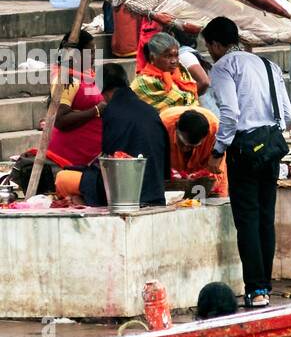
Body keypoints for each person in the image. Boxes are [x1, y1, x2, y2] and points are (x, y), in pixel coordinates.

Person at [202, 16, 291, 309]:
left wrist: (218, 151)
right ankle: (264, 285)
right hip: (272, 145)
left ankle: (255, 289)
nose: (210, 52)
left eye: (210, 47)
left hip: (244, 147)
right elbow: (288, 114)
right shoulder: (269, 65)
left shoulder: (224, 67)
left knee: (248, 220)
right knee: (266, 217)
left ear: (216, 44)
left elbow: (229, 114)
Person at [56, 64, 169, 208]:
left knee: (63, 179)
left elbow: (110, 161)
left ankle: (84, 200)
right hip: (155, 190)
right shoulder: (150, 110)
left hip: (126, 191)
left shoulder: (112, 111)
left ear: (102, 89)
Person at [45, 32, 103, 171]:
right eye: (90, 52)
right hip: (69, 156)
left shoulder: (86, 74)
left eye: (95, 52)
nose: (94, 56)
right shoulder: (66, 79)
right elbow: (60, 119)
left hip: (89, 154)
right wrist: (95, 110)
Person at [160, 105, 227, 197]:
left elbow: (217, 174)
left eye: (192, 147)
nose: (185, 149)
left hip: (203, 173)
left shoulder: (216, 133)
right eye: (183, 143)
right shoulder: (162, 125)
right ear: (176, 126)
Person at [130, 30, 201, 111]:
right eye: (168, 56)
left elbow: (193, 101)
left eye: (176, 55)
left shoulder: (183, 73)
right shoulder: (143, 82)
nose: (174, 61)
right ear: (153, 57)